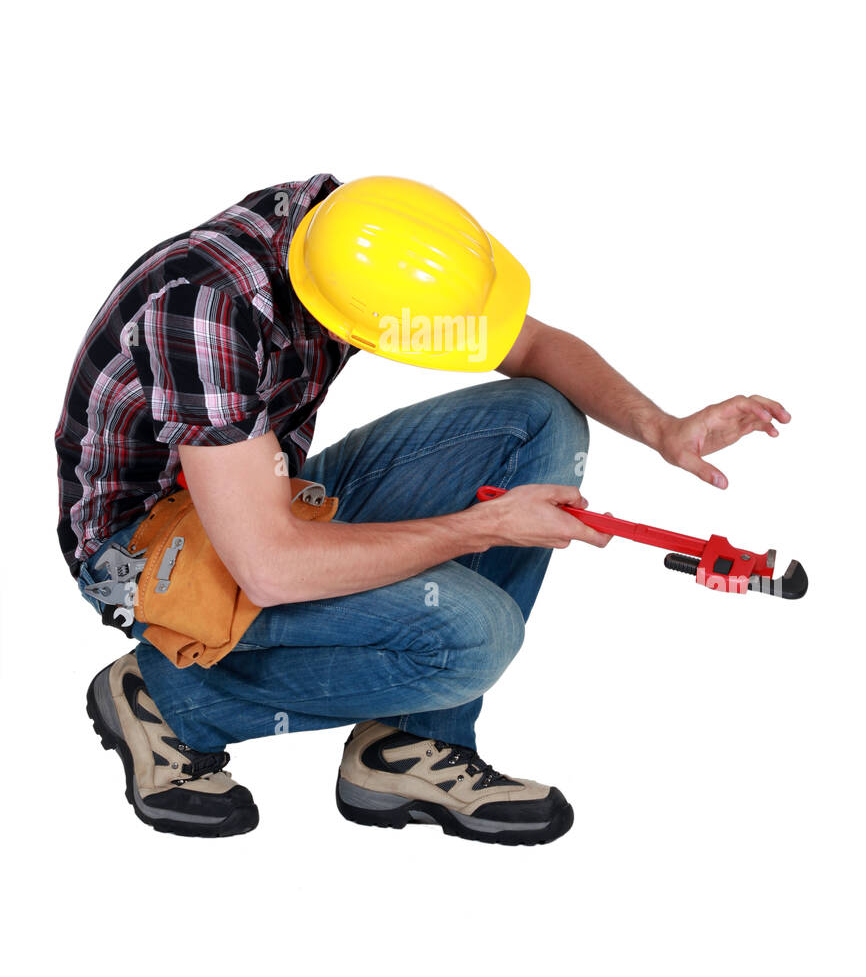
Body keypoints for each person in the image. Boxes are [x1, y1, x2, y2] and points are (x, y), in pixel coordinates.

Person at [57, 174, 790, 845]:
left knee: (538, 417)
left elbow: (531, 344)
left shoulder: (342, 236)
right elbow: (270, 566)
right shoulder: (203, 313)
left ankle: (407, 745)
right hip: (145, 549)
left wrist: (661, 428)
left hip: (257, 490)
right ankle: (165, 696)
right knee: (474, 636)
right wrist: (482, 528)